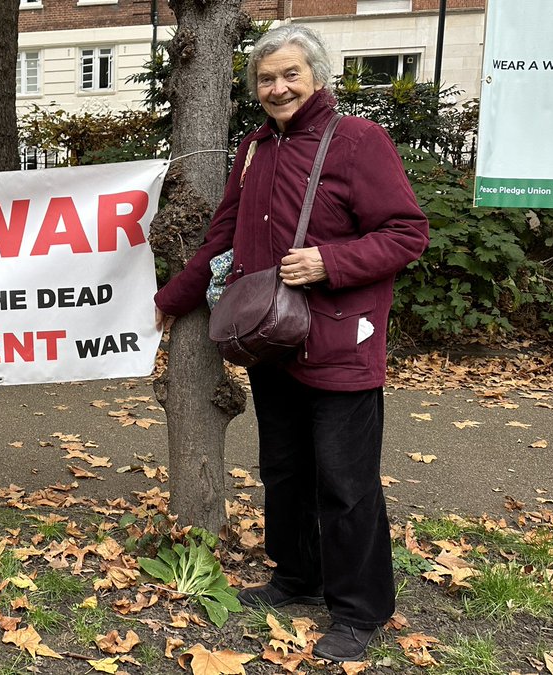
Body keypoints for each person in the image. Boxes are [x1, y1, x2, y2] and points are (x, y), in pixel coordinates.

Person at [153, 25, 429, 662]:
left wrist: (331, 262)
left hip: (340, 343)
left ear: (318, 77)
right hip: (270, 341)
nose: (277, 88)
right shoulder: (254, 149)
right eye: (266, 78)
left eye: (290, 75)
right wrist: (172, 299)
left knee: (345, 480)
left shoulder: (359, 140)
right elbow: (222, 236)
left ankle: (358, 610)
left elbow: (407, 233)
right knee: (284, 469)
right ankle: (297, 577)